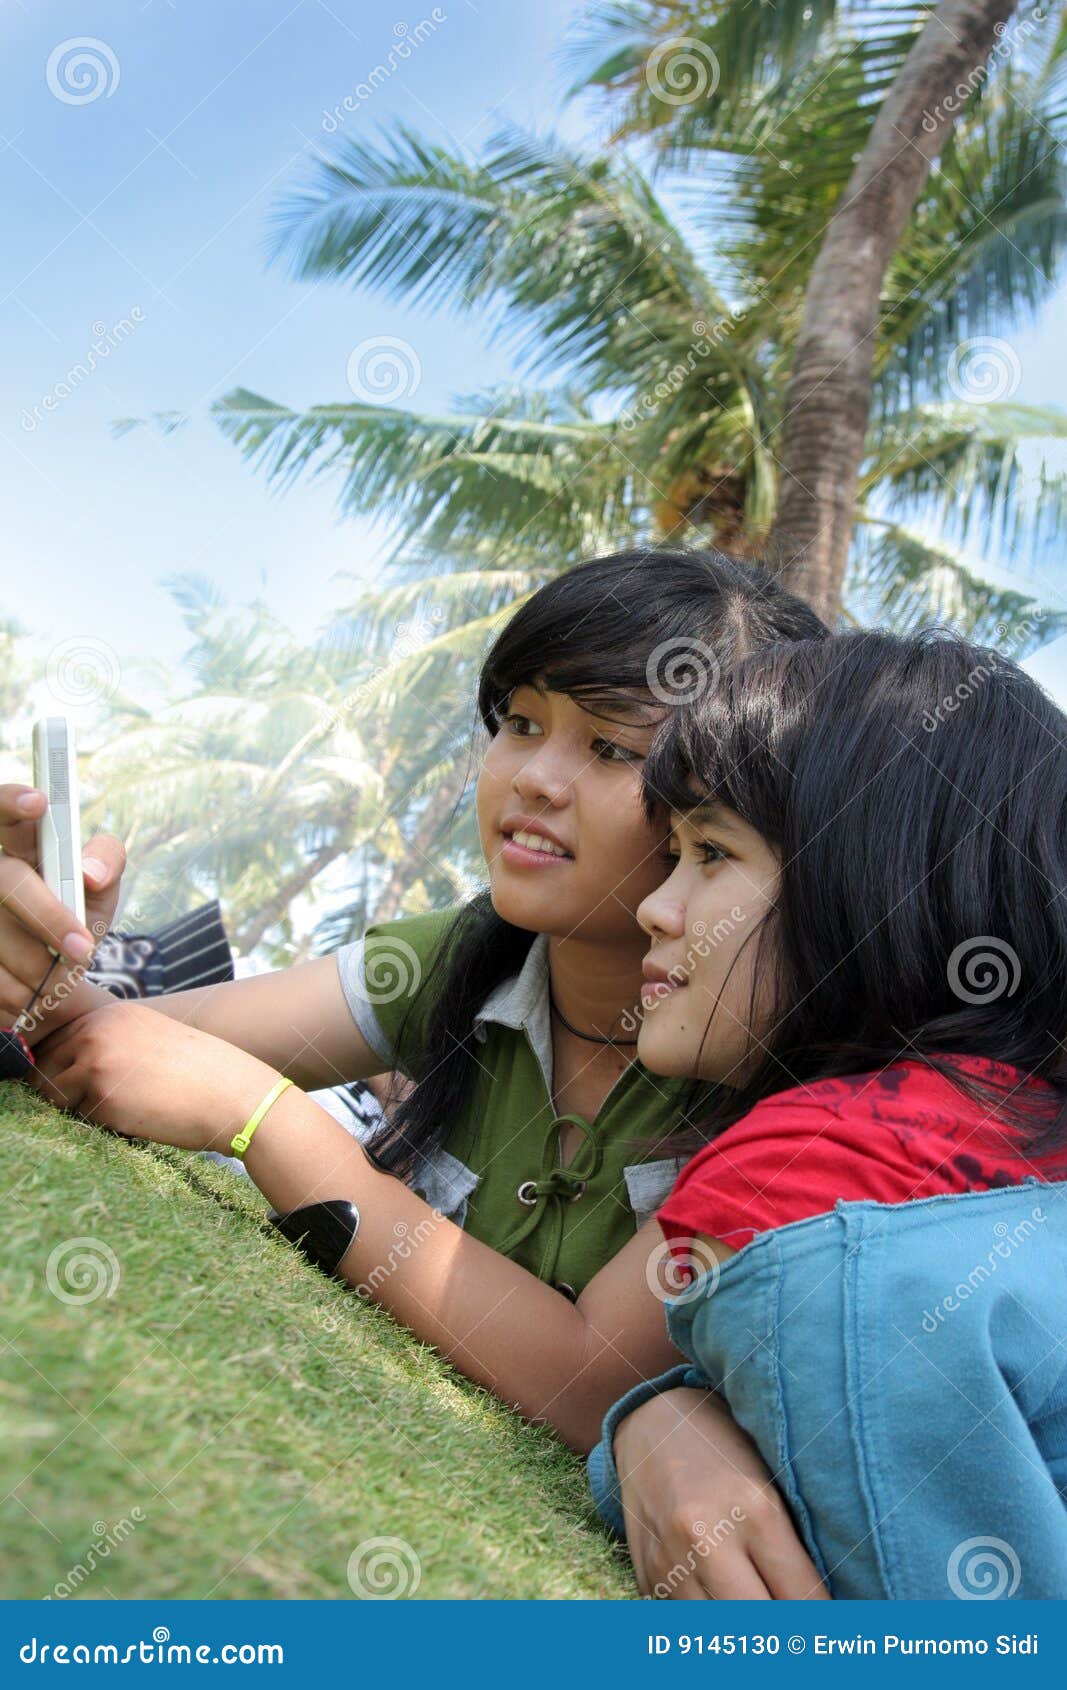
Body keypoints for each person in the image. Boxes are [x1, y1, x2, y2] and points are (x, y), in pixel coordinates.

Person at [0, 547, 827, 1461]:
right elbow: (122, 1051)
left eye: (611, 748)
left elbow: (591, 1384)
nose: (534, 777)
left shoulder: (796, 1074)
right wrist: (47, 953)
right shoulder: (460, 958)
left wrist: (262, 1119)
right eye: (521, 721)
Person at [586, 627, 1067, 1598]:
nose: (656, 907)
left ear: (875, 882)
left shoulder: (815, 1176)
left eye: (710, 852)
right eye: (672, 854)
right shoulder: (1004, 1151)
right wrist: (661, 1421)